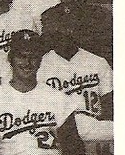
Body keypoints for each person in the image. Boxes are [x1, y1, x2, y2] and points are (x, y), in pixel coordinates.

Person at [36, 11, 114, 139]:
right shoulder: (40, 66)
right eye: (60, 29)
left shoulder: (97, 62)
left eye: (69, 27)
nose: (65, 33)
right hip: (59, 129)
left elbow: (109, 105)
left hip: (95, 125)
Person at [39, 0, 112, 62]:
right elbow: (46, 49)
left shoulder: (100, 16)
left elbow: (107, 50)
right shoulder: (50, 16)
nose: (69, 0)